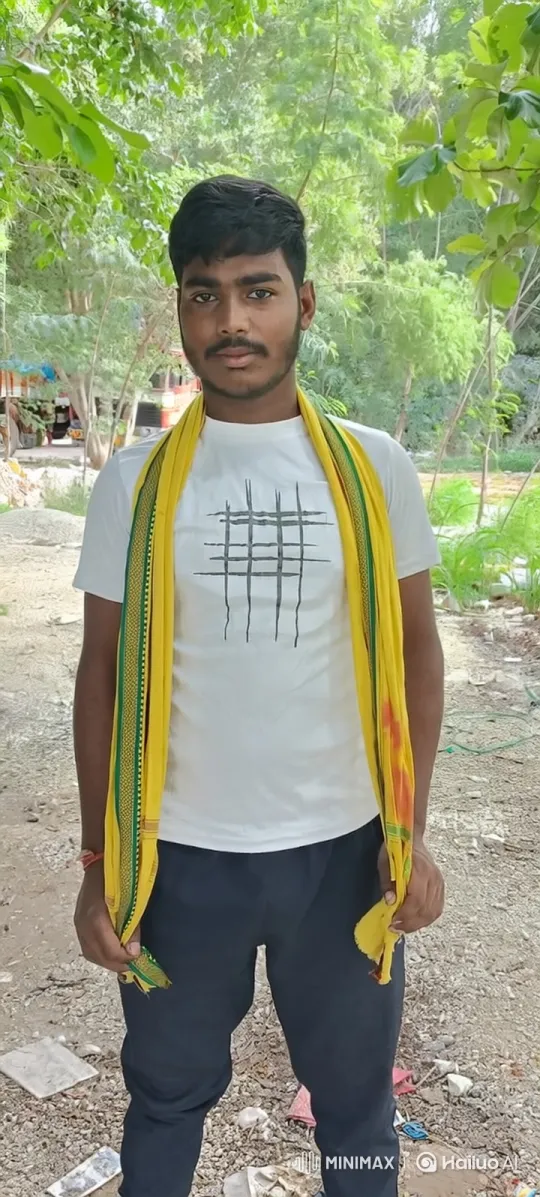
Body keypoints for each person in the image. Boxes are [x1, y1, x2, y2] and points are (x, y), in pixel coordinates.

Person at [73, 176, 445, 1197]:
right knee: (164, 1095)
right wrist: (101, 856)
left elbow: (416, 655)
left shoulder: (375, 471)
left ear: (303, 304)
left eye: (258, 290)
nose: (231, 321)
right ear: (183, 309)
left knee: (358, 1106)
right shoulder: (138, 483)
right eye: (204, 295)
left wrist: (414, 835)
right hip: (181, 865)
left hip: (345, 859)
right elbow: (102, 672)